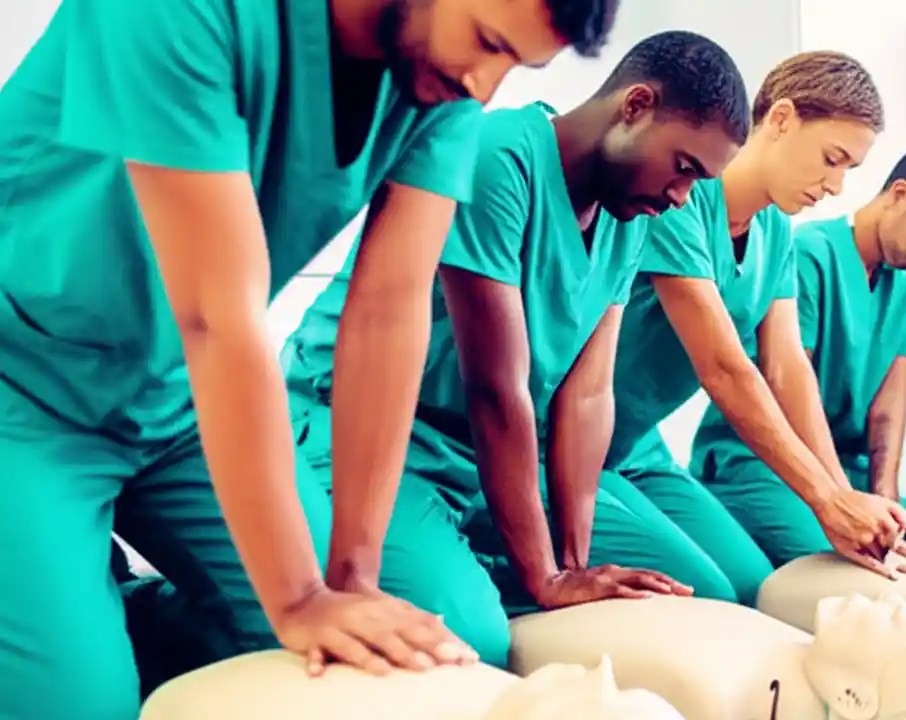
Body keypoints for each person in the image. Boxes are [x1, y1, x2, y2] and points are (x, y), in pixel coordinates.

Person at [0, 0, 619, 716]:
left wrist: (350, 577)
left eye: (515, 63)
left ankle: (130, 615)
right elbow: (216, 318)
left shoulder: (439, 80)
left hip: (176, 402)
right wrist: (298, 598)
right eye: (486, 43)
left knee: (378, 653)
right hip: (24, 393)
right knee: (80, 702)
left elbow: (389, 309)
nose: (485, 85)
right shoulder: (178, 13)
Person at [282, 30, 749, 668]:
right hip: (379, 431)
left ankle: (475, 564)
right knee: (471, 637)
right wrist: (544, 577)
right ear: (636, 105)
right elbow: (496, 390)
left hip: (492, 457)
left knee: (700, 593)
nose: (681, 198)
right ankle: (181, 610)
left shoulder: (628, 213)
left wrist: (572, 565)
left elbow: (589, 394)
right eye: (685, 168)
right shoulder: (498, 156)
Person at [601, 51, 906, 608]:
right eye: (831, 160)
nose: (835, 186)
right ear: (781, 120)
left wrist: (843, 494)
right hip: (576, 439)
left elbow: (788, 368)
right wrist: (822, 500)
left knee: (752, 583)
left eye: (848, 171)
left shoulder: (775, 233)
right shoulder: (684, 197)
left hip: (641, 447)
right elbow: (724, 367)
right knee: (711, 593)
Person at [689, 143, 906, 567]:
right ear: (899, 194)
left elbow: (889, 399)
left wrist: (885, 492)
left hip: (846, 467)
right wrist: (837, 497)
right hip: (763, 461)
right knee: (861, 564)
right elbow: (786, 379)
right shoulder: (811, 253)